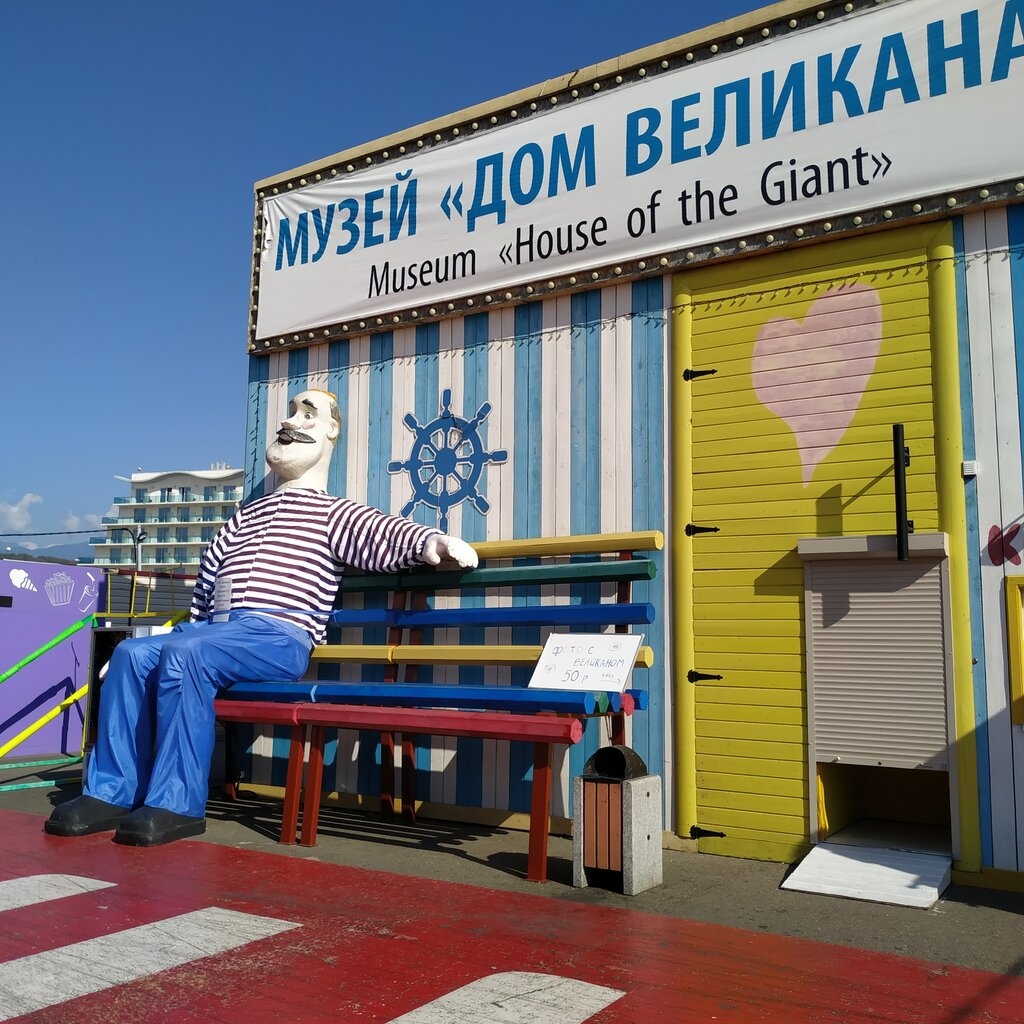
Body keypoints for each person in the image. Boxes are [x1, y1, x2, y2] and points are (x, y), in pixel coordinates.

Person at [45, 388, 477, 846]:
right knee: (131, 655)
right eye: (290, 412)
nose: (291, 422)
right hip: (216, 633)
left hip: (279, 635)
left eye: (308, 414)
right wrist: (170, 638)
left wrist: (430, 542)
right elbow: (205, 594)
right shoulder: (241, 518)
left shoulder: (331, 513)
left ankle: (175, 801)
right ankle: (110, 792)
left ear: (331, 431)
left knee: (186, 653)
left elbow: (378, 533)